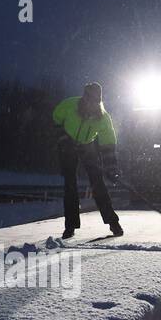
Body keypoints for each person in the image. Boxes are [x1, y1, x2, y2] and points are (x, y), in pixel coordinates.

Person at [52, 82, 122, 239]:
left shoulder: (103, 118)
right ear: (84, 98)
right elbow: (56, 118)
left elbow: (108, 145)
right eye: (88, 100)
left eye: (95, 101)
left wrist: (111, 167)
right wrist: (63, 138)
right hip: (68, 146)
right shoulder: (69, 105)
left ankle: (113, 222)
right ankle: (70, 226)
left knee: (98, 184)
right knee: (70, 185)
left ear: (99, 101)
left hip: (87, 147)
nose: (91, 104)